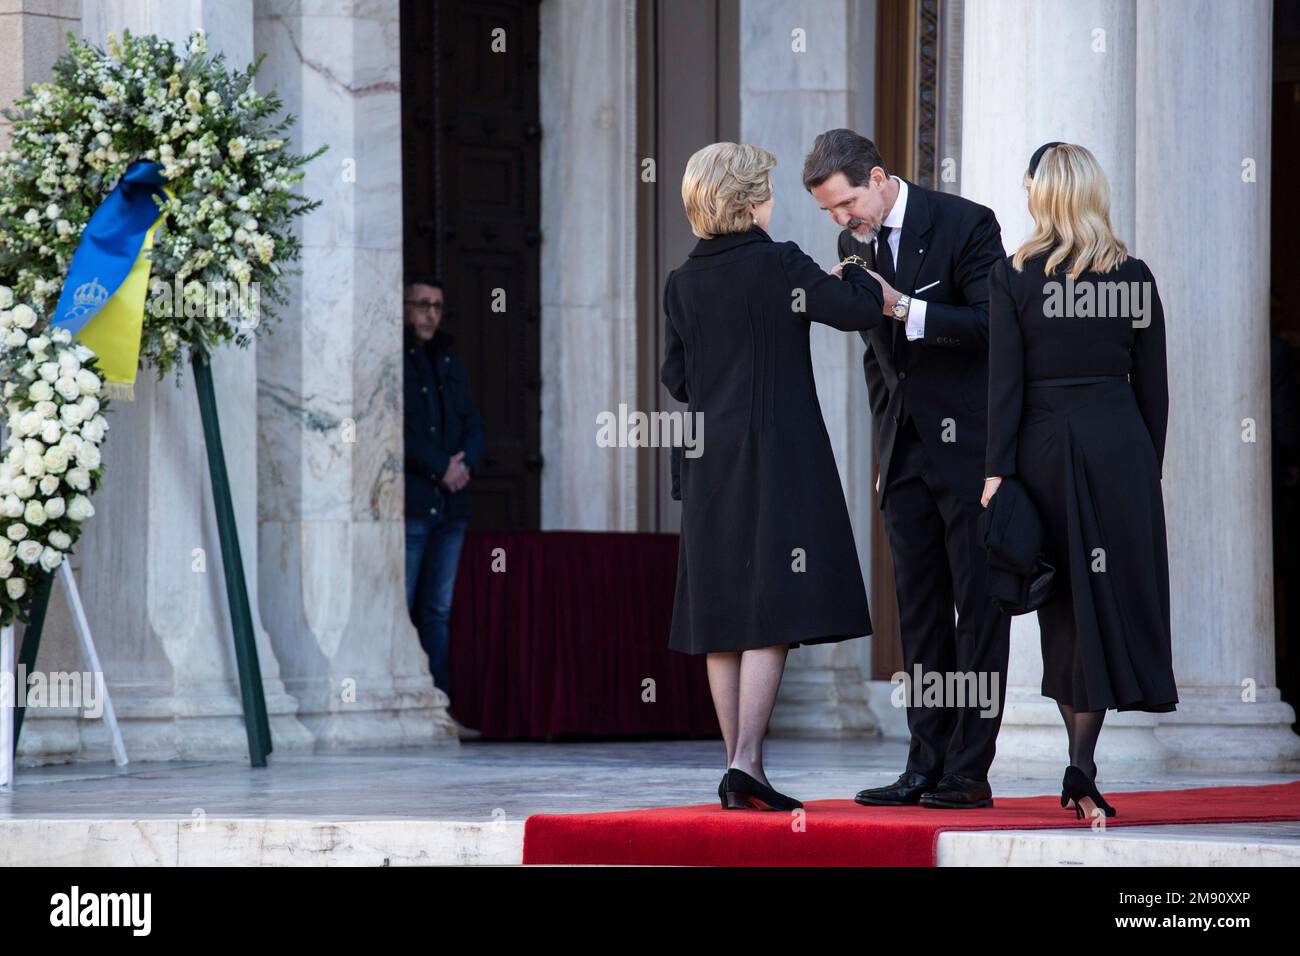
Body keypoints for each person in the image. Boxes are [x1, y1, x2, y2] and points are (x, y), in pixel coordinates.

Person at [661, 142, 886, 811]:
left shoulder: (682, 280)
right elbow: (855, 310)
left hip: (709, 459)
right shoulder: (778, 262)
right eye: (764, 187)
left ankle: (739, 766)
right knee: (771, 608)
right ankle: (747, 763)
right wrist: (855, 265)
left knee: (724, 609)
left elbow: (676, 378)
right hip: (777, 454)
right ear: (749, 199)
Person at [803, 129, 1011, 809]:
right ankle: (923, 763)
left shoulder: (966, 223)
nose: (842, 221)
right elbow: (876, 358)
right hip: (904, 457)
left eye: (847, 204)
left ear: (879, 177)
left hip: (973, 455)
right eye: (831, 212)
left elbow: (991, 328)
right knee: (919, 617)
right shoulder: (848, 244)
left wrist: (903, 305)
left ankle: (968, 771)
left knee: (978, 613)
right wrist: (882, 451)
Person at [982, 142, 1179, 820]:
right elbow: (1154, 390)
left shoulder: (1011, 277)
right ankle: (1081, 765)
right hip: (1119, 447)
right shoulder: (1135, 275)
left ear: (1040, 193)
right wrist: (1143, 468)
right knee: (1108, 603)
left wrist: (995, 473)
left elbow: (1002, 388)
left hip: (1040, 447)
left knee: (1064, 610)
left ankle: (1079, 764)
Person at [403, 274, 485, 694]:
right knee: (402, 605)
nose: (430, 314)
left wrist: (464, 464)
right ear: (404, 308)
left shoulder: (449, 359)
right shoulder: (396, 358)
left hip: (451, 509)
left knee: (437, 610)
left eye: (436, 306)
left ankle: (438, 700)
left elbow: (473, 423)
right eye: (422, 304)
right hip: (414, 504)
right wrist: (440, 467)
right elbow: (394, 430)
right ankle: (404, 696)